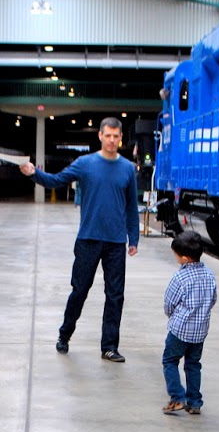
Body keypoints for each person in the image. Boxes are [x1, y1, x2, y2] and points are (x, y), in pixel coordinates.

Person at [20, 117, 139, 362]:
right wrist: (34, 174)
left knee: (115, 295)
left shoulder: (127, 168)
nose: (112, 140)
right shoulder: (85, 164)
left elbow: (131, 206)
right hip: (88, 240)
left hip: (116, 242)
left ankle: (109, 347)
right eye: (108, 135)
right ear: (100, 136)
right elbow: (55, 181)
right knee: (80, 290)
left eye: (116, 136)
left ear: (121, 138)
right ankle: (64, 334)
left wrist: (133, 238)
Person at [161, 231, 218, 415]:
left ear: (184, 258)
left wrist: (173, 317)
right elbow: (213, 300)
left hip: (179, 330)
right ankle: (194, 402)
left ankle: (177, 397)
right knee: (193, 364)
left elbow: (169, 303)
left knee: (170, 360)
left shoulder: (180, 278)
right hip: (200, 332)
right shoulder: (209, 275)